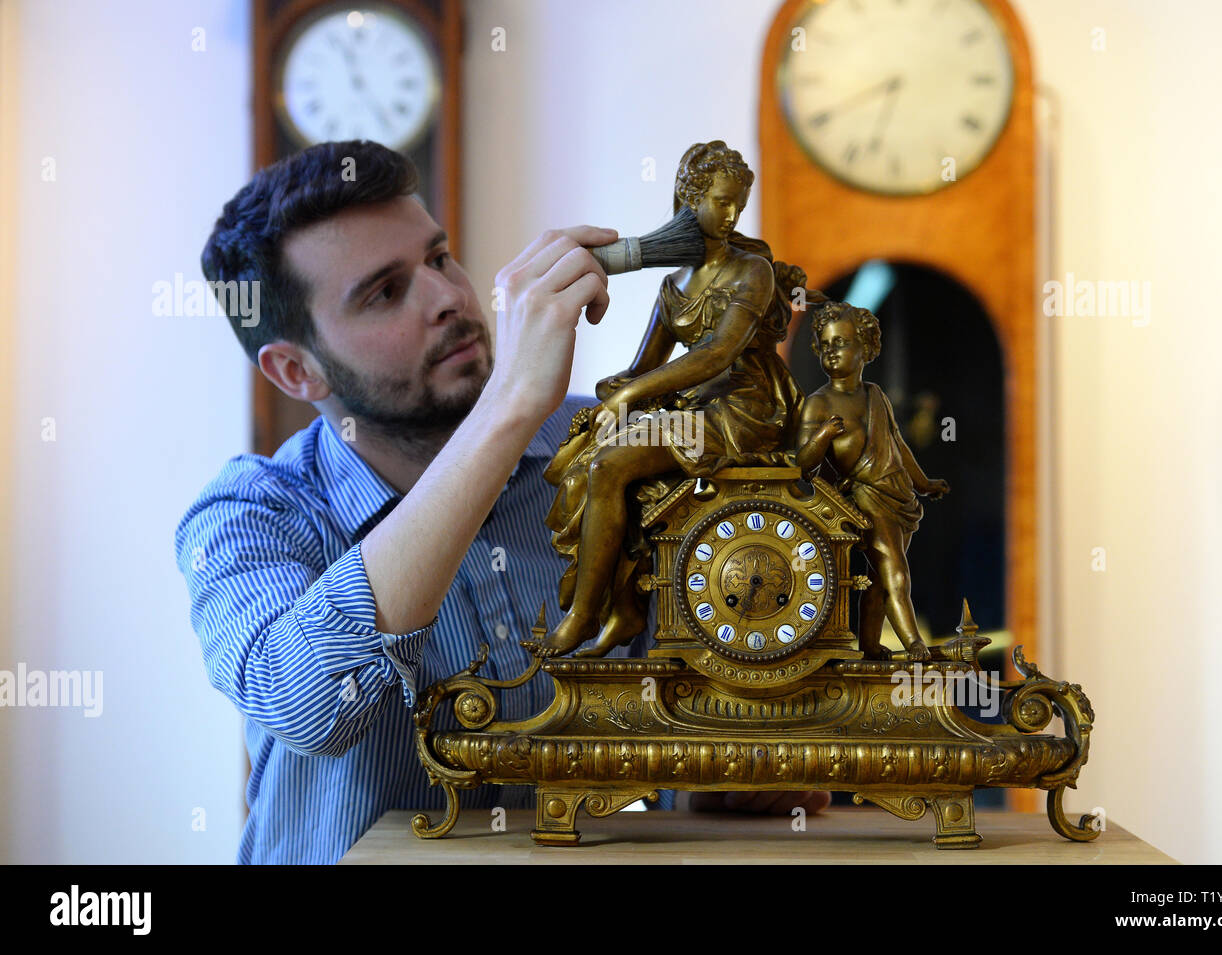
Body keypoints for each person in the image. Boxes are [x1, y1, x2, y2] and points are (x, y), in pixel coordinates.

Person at [177, 140, 822, 863]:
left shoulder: (607, 451)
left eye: (438, 257)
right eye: (385, 292)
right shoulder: (249, 514)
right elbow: (307, 703)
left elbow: (661, 701)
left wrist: (705, 788)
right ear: (296, 369)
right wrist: (509, 407)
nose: (449, 297)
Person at [529, 141, 805, 659]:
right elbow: (644, 368)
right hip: (695, 408)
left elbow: (718, 355)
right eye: (722, 201)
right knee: (594, 447)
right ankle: (624, 607)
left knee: (609, 466)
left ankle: (585, 614)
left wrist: (635, 395)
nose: (732, 215)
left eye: (738, 205)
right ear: (689, 196)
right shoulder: (672, 282)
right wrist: (615, 388)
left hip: (744, 409)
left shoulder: (753, 271)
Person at [792, 302, 950, 662]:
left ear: (865, 349)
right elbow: (802, 464)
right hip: (863, 495)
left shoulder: (876, 395)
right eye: (826, 344)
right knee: (893, 567)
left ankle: (869, 646)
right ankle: (914, 644)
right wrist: (823, 435)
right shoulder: (817, 404)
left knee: (879, 581)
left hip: (897, 494)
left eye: (841, 343)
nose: (831, 352)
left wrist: (924, 484)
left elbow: (897, 444)